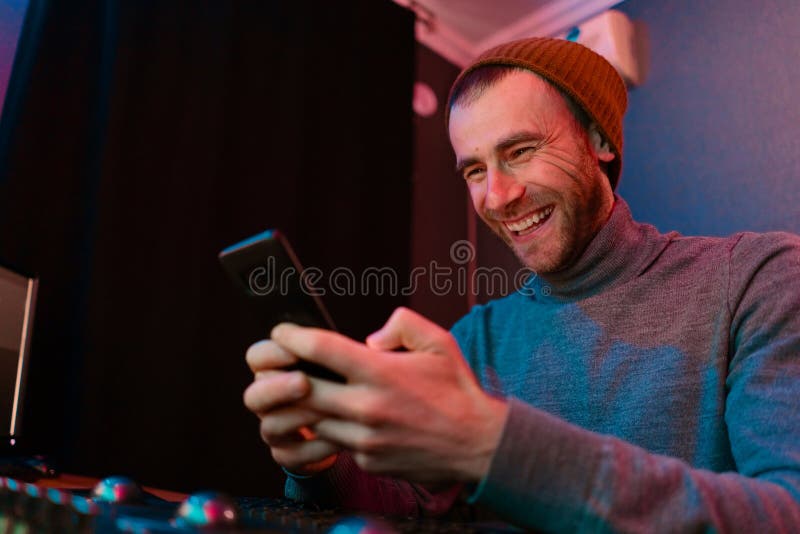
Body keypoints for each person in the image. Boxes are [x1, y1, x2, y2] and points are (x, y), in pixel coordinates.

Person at [243, 37, 800, 531]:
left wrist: (493, 448)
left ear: (600, 140)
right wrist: (320, 465)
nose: (496, 197)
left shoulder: (756, 279)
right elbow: (419, 510)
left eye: (520, 151)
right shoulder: (476, 338)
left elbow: (786, 512)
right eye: (474, 170)